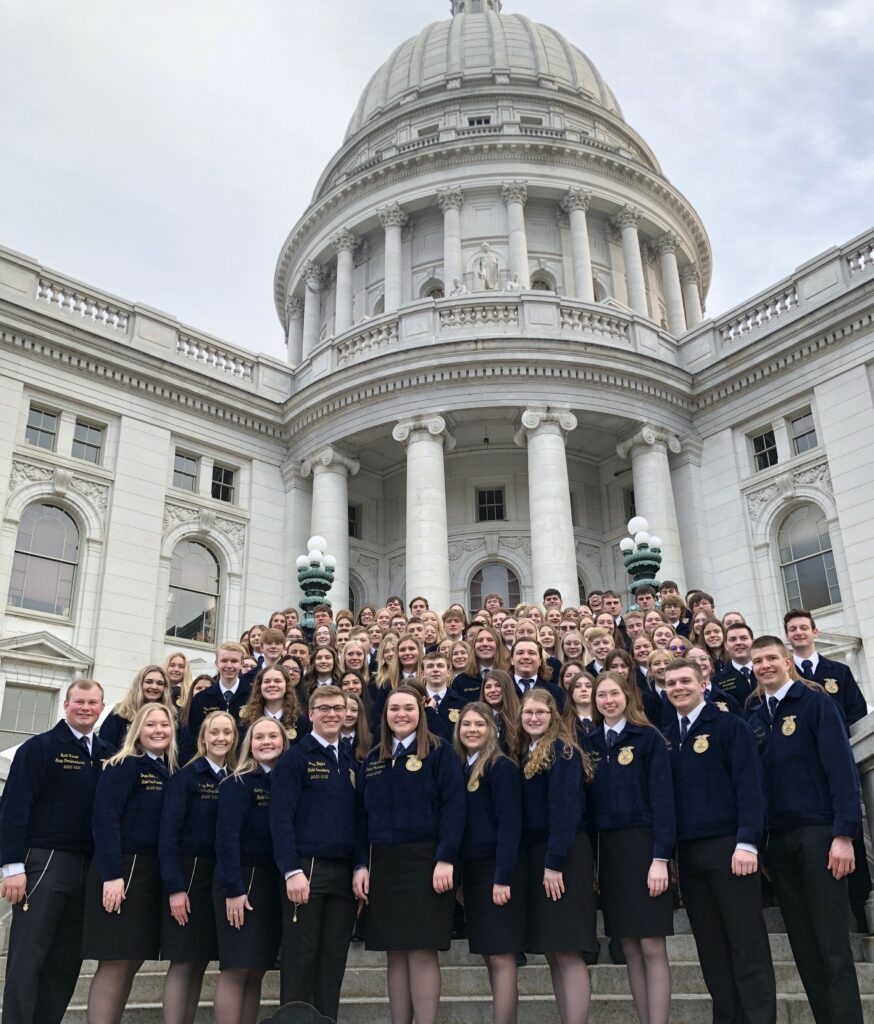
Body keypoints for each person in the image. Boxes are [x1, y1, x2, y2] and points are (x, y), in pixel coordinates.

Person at [747, 636, 864, 1024]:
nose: (764, 665)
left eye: (771, 658)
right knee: (804, 947)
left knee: (832, 946)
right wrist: (761, 847)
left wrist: (844, 835)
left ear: (787, 661)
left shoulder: (816, 704)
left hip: (820, 836)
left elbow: (841, 770)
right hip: (779, 843)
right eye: (757, 661)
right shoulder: (755, 719)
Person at [663, 657, 776, 1024]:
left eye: (685, 681)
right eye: (671, 683)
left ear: (703, 683)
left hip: (730, 849)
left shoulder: (729, 726)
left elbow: (750, 786)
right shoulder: (668, 737)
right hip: (689, 855)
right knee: (710, 947)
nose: (677, 688)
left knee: (746, 942)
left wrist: (748, 842)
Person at [353, 685, 465, 1024]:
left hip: (427, 863)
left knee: (421, 951)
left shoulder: (440, 752)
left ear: (421, 712)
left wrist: (446, 857)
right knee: (395, 953)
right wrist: (360, 865)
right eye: (394, 708)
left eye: (408, 708)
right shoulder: (374, 758)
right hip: (384, 864)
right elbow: (360, 818)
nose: (401, 714)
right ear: (384, 715)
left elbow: (454, 808)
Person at [0, 679, 109, 1024]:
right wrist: (11, 866)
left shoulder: (106, 753)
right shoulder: (40, 747)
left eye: (92, 703)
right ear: (66, 705)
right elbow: (13, 807)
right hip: (44, 862)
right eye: (79, 702)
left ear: (101, 707)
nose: (86, 708)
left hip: (87, 867)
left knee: (65, 962)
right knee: (28, 959)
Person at [585, 672, 675, 1024]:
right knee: (629, 946)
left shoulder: (648, 738)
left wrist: (660, 857)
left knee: (651, 944)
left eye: (614, 694)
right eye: (601, 695)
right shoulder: (590, 743)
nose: (608, 700)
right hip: (609, 852)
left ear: (627, 697)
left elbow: (663, 801)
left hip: (644, 847)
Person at [82, 703, 177, 1024]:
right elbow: (105, 820)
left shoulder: (168, 770)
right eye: (151, 724)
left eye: (164, 724)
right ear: (137, 730)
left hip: (150, 874)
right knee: (115, 962)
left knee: (131, 961)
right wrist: (112, 875)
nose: (158, 730)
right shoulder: (123, 765)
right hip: (123, 870)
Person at [269, 685, 358, 1020]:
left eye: (338, 708)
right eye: (324, 708)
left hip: (343, 873)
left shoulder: (349, 759)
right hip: (306, 870)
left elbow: (358, 819)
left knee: (333, 960)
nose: (332, 714)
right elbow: (280, 817)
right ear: (311, 714)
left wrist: (360, 866)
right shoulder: (295, 758)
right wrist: (291, 870)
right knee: (300, 959)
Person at [517, 688, 596, 1024]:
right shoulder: (528, 752)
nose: (534, 718)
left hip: (564, 857)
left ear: (553, 717)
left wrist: (554, 863)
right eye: (528, 713)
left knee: (567, 950)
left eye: (541, 712)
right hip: (542, 856)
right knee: (553, 951)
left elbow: (565, 811)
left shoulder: (561, 751)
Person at [159, 710, 238, 1024]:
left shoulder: (235, 776)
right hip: (189, 875)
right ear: (203, 737)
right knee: (183, 960)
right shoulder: (186, 777)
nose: (220, 738)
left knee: (201, 960)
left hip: (218, 877)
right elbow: (169, 835)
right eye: (214, 732)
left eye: (227, 732)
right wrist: (175, 887)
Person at [455, 704, 526, 1024]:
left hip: (497, 871)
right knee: (490, 954)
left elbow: (510, 825)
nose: (472, 730)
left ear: (492, 730)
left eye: (480, 724)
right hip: (474, 872)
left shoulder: (501, 767)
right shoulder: (462, 767)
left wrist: (502, 877)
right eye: (466, 724)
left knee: (501, 955)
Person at [213, 717, 287, 1024]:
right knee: (236, 968)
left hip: (271, 882)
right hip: (242, 880)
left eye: (273, 736)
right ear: (249, 745)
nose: (266, 742)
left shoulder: (286, 782)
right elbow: (226, 838)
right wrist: (233, 889)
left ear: (284, 742)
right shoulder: (238, 783)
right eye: (259, 737)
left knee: (256, 969)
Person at [98, 664, 175, 753]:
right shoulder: (119, 713)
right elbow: (105, 748)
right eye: (149, 682)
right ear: (139, 684)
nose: (154, 687)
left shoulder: (172, 715)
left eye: (160, 683)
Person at [187, 642, 252, 743]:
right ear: (217, 664)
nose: (229, 665)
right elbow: (192, 737)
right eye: (224, 661)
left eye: (234, 661)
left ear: (241, 664)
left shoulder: (253, 695)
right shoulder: (201, 699)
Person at [711, 623, 758, 706]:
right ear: (726, 645)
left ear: (753, 642)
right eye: (733, 639)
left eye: (743, 638)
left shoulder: (766, 670)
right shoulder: (717, 680)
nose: (738, 643)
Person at [480, 669, 522, 756]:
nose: (492, 690)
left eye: (498, 685)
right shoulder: (478, 717)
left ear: (507, 688)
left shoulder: (521, 717)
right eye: (488, 687)